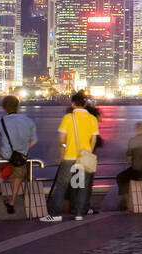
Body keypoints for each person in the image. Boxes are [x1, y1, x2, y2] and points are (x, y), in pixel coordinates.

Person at [41, 91, 99, 222]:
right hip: (85, 156)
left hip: (69, 156)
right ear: (85, 104)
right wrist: (88, 152)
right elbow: (94, 140)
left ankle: (55, 214)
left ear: (73, 104)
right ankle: (79, 213)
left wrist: (63, 150)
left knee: (62, 185)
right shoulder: (92, 119)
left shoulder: (68, 118)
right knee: (83, 185)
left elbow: (61, 139)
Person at [0, 94, 37, 214]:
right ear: (18, 106)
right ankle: (12, 200)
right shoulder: (28, 120)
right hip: (20, 156)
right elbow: (34, 140)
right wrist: (23, 149)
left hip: (5, 154)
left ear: (4, 107)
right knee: (19, 174)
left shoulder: (1, 121)